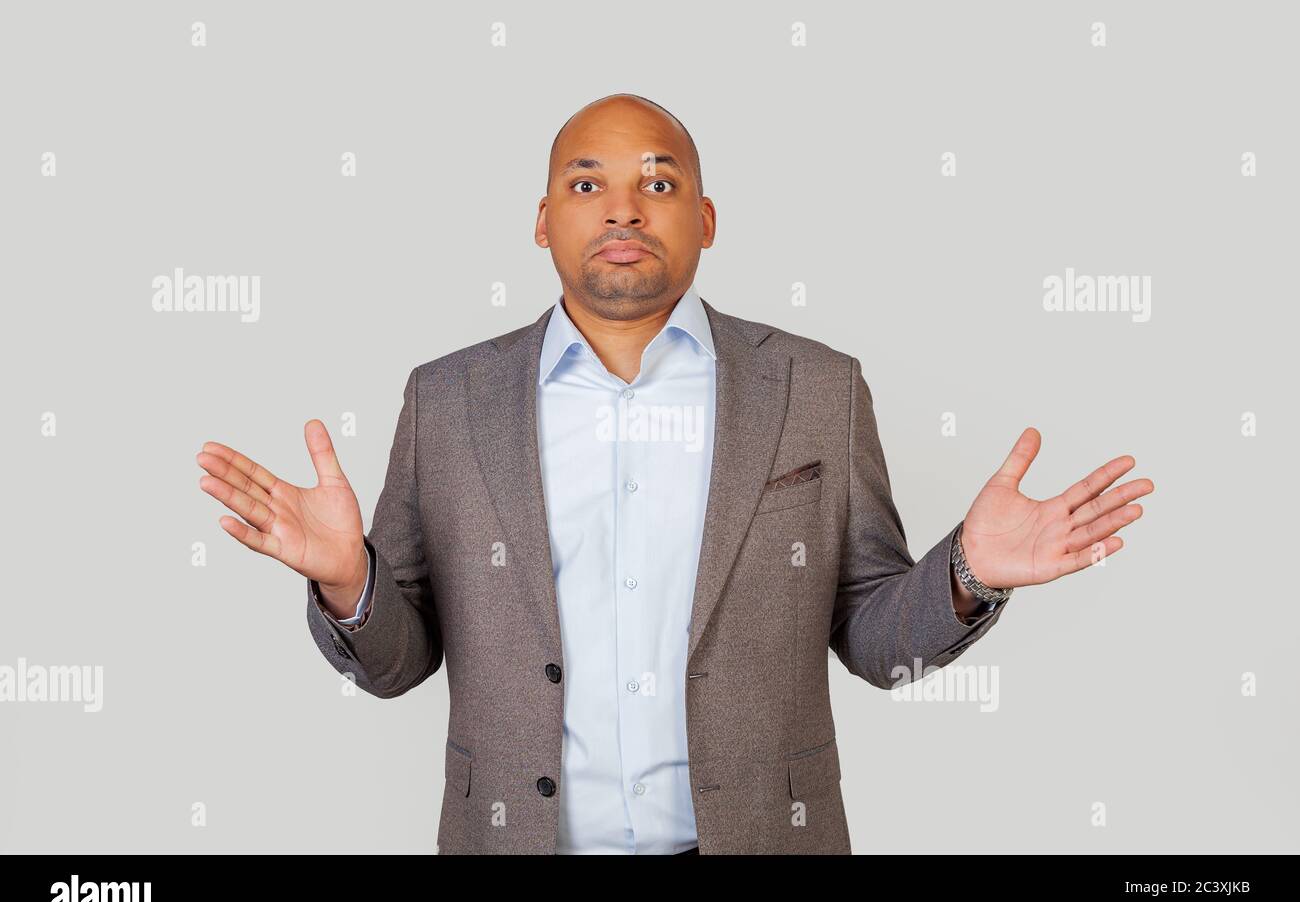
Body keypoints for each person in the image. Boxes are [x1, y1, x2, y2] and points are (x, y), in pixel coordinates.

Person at [196, 93, 1154, 854]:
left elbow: (872, 639)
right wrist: (351, 582)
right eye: (586, 183)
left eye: (657, 182)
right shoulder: (447, 398)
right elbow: (399, 663)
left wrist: (967, 571)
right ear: (542, 222)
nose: (623, 207)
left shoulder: (816, 388)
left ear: (704, 218)